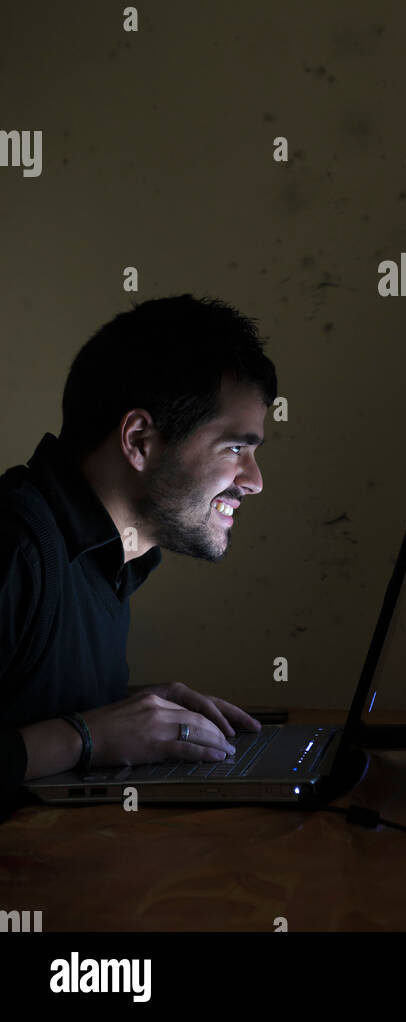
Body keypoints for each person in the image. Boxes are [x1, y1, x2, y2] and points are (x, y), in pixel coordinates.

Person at [0, 294, 276, 799]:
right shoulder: (14, 549)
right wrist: (88, 737)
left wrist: (131, 709)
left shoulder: (115, 560)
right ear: (140, 440)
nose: (254, 481)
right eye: (236, 448)